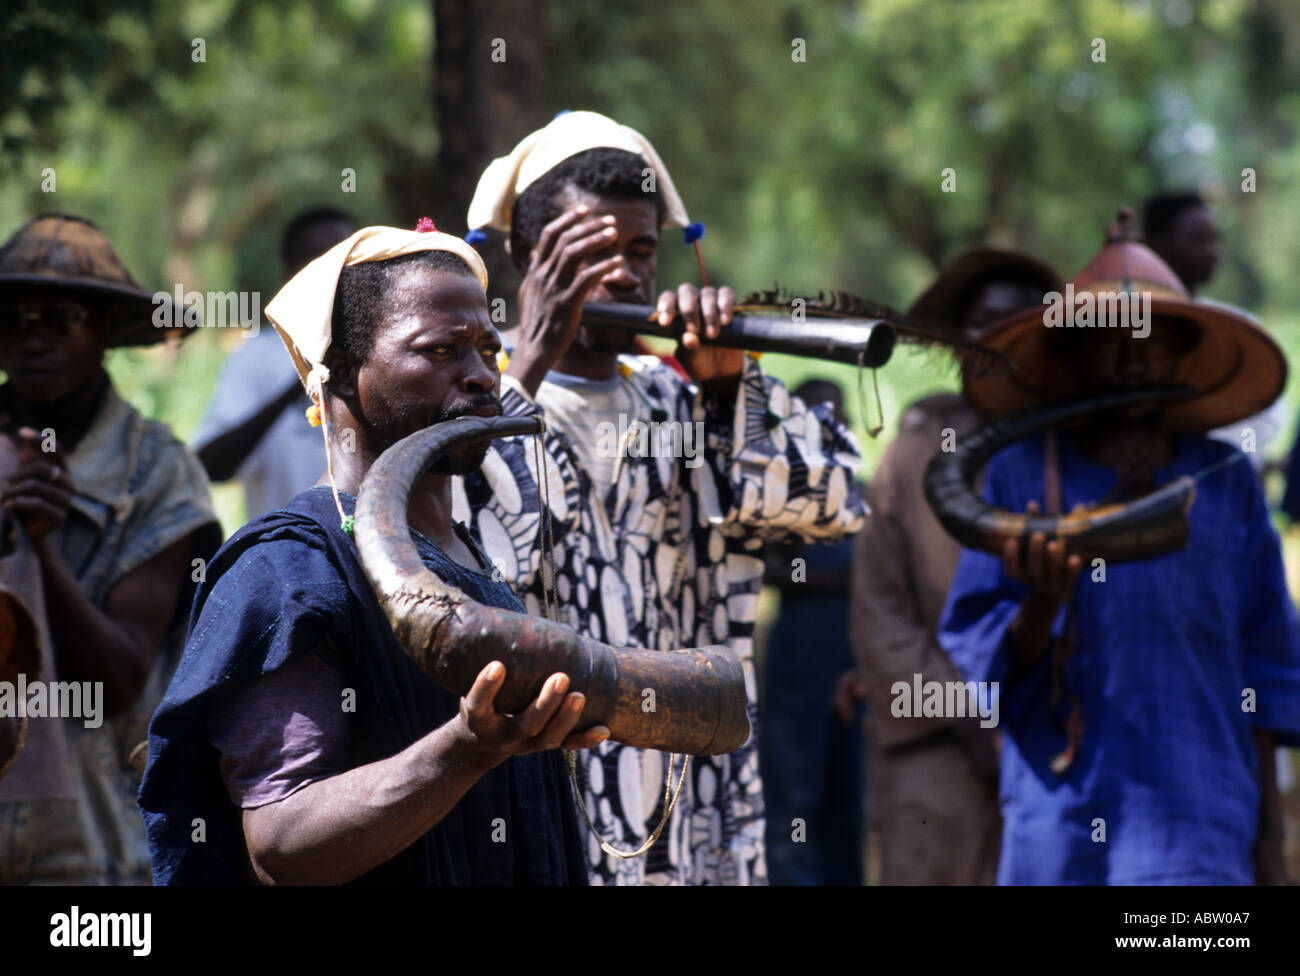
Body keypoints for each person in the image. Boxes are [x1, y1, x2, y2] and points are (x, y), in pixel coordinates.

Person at [457, 110, 867, 885]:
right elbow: (457, 545)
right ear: (523, 254)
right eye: (589, 252)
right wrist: (529, 364)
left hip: (690, 815)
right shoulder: (469, 407)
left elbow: (839, 501)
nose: (622, 276)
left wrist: (729, 383)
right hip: (539, 806)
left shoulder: (679, 401)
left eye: (640, 251)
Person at [140, 225, 602, 885]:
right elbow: (282, 841)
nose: (478, 375)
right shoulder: (290, 571)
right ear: (341, 377)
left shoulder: (471, 556)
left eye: (486, 349)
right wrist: (461, 752)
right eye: (439, 349)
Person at [938, 211, 1300, 884]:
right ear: (1072, 357)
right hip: (1065, 826)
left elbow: (1270, 664)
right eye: (1110, 340)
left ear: (1182, 356)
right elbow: (982, 658)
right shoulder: (1020, 475)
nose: (1135, 358)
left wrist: (1271, 845)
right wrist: (1042, 604)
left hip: (1202, 820)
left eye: (1155, 341)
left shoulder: (1227, 483)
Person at [0, 214, 221, 884]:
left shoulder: (156, 470)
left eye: (62, 315)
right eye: (14, 317)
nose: (33, 335)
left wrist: (40, 550)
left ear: (102, 329)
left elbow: (116, 680)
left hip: (99, 847)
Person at [850, 246, 1062, 885]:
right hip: (933, 738)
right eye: (982, 319)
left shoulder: (1069, 448)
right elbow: (879, 609)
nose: (995, 337)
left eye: (1015, 320)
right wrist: (971, 720)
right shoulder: (914, 451)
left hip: (1054, 735)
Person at [760, 378, 865, 885]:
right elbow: (758, 568)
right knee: (796, 785)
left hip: (854, 650)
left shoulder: (859, 487)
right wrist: (832, 580)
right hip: (801, 648)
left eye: (835, 414)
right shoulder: (779, 487)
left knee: (849, 787)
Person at [192, 207, 357, 519]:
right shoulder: (258, 355)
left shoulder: (383, 352)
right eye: (318, 258)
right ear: (291, 270)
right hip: (289, 559)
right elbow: (208, 465)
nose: (335, 272)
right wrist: (303, 378)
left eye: (346, 259)